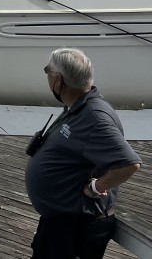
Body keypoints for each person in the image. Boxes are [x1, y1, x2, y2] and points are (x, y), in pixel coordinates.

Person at [25, 48, 141, 259]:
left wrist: (95, 187)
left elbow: (129, 164)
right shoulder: (79, 107)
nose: (47, 77)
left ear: (58, 81)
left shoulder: (95, 117)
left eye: (47, 71)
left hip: (77, 229)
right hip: (61, 224)